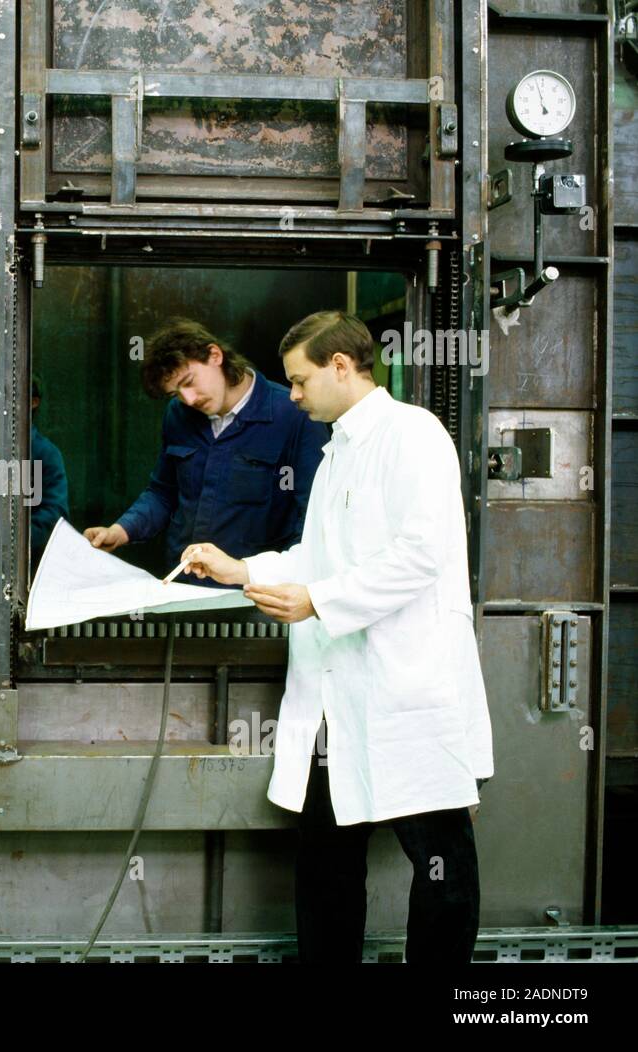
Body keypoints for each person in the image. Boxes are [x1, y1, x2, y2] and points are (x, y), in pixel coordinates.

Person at [180, 310, 494, 964]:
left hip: (406, 692)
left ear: (342, 367)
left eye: (299, 381)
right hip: (337, 700)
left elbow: (419, 557)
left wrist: (319, 601)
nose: (291, 395)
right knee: (325, 862)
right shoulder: (337, 452)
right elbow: (318, 556)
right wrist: (243, 569)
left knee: (440, 865)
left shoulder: (413, 436)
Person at [84, 318, 327, 584]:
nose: (188, 399)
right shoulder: (178, 415)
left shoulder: (294, 415)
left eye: (189, 382)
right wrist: (120, 530)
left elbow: (312, 517)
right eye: (176, 393)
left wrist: (290, 586)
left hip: (254, 596)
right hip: (183, 585)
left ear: (215, 355)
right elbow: (163, 492)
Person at [30, 376, 70, 556]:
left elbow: (55, 517)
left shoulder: (46, 454)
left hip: (31, 560)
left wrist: (14, 540)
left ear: (34, 402)